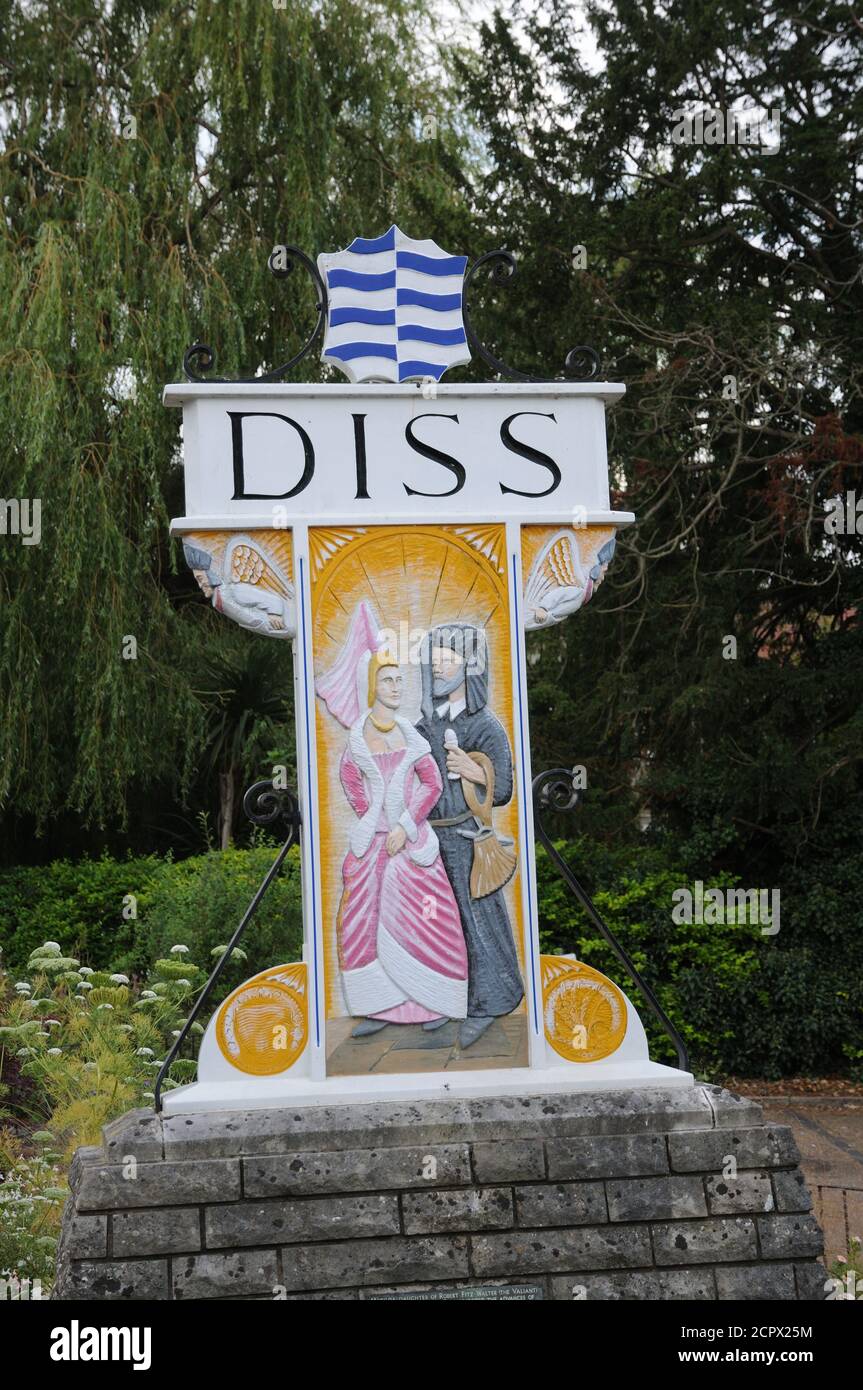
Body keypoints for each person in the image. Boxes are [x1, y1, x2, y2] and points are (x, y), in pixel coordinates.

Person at [316, 603, 468, 1038]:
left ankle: (436, 1001)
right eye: (388, 680)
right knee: (361, 918)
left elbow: (432, 783)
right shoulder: (359, 736)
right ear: (372, 685)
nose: (396, 687)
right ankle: (378, 1007)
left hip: (410, 842)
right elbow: (350, 778)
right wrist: (371, 817)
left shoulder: (410, 734)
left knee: (426, 917)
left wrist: (404, 824)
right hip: (372, 844)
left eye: (400, 680)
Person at [416, 624, 524, 1048]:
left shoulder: (486, 726)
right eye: (435, 657)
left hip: (466, 838)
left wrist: (475, 771)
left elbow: (504, 790)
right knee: (438, 923)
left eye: (450, 657)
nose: (439, 665)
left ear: (470, 666)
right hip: (429, 841)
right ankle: (448, 999)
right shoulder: (423, 725)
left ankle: (490, 1001)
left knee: (477, 921)